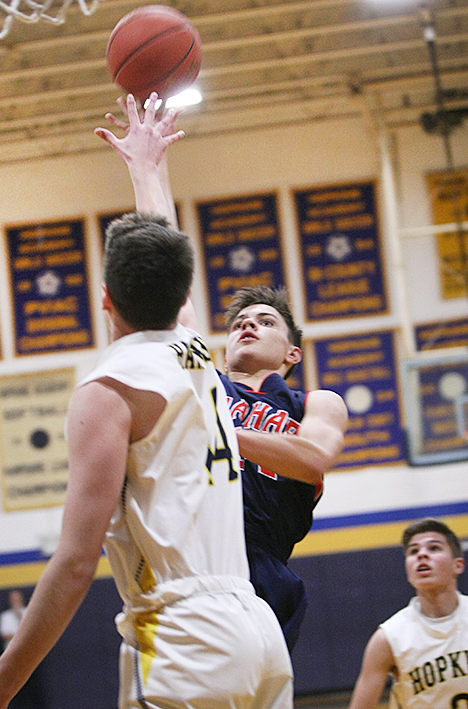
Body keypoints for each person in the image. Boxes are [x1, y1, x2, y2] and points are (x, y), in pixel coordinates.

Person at [0, 205, 293, 709]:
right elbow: (171, 285)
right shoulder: (196, 353)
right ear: (183, 294)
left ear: (105, 298)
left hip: (182, 638)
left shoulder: (108, 390)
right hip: (259, 630)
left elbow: (77, 561)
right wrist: (149, 167)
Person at [95, 92, 348, 650]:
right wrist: (147, 166)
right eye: (238, 322)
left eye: (265, 321)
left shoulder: (315, 403)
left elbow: (312, 459)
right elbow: (166, 273)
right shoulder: (203, 378)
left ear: (292, 353)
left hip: (261, 565)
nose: (247, 326)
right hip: (193, 555)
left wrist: (216, 430)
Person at [348, 517, 468, 709]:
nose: (422, 555)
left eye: (434, 548)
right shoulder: (388, 637)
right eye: (414, 551)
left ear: (458, 565)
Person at [0, 591, 42, 709]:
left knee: (34, 689)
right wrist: (23, 634)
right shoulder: (5, 616)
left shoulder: (29, 611)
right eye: (13, 598)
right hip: (13, 659)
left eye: (17, 598)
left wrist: (19, 617)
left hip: (31, 657)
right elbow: (4, 634)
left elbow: (34, 631)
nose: (15, 600)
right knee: (15, 691)